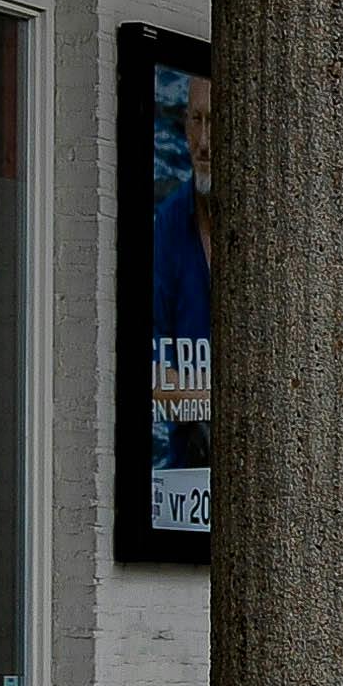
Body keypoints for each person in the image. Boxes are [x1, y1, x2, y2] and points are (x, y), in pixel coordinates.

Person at [150, 73, 211, 466]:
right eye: (197, 120)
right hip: (187, 474)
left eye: (218, 121)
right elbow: (150, 366)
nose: (203, 144)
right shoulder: (170, 223)